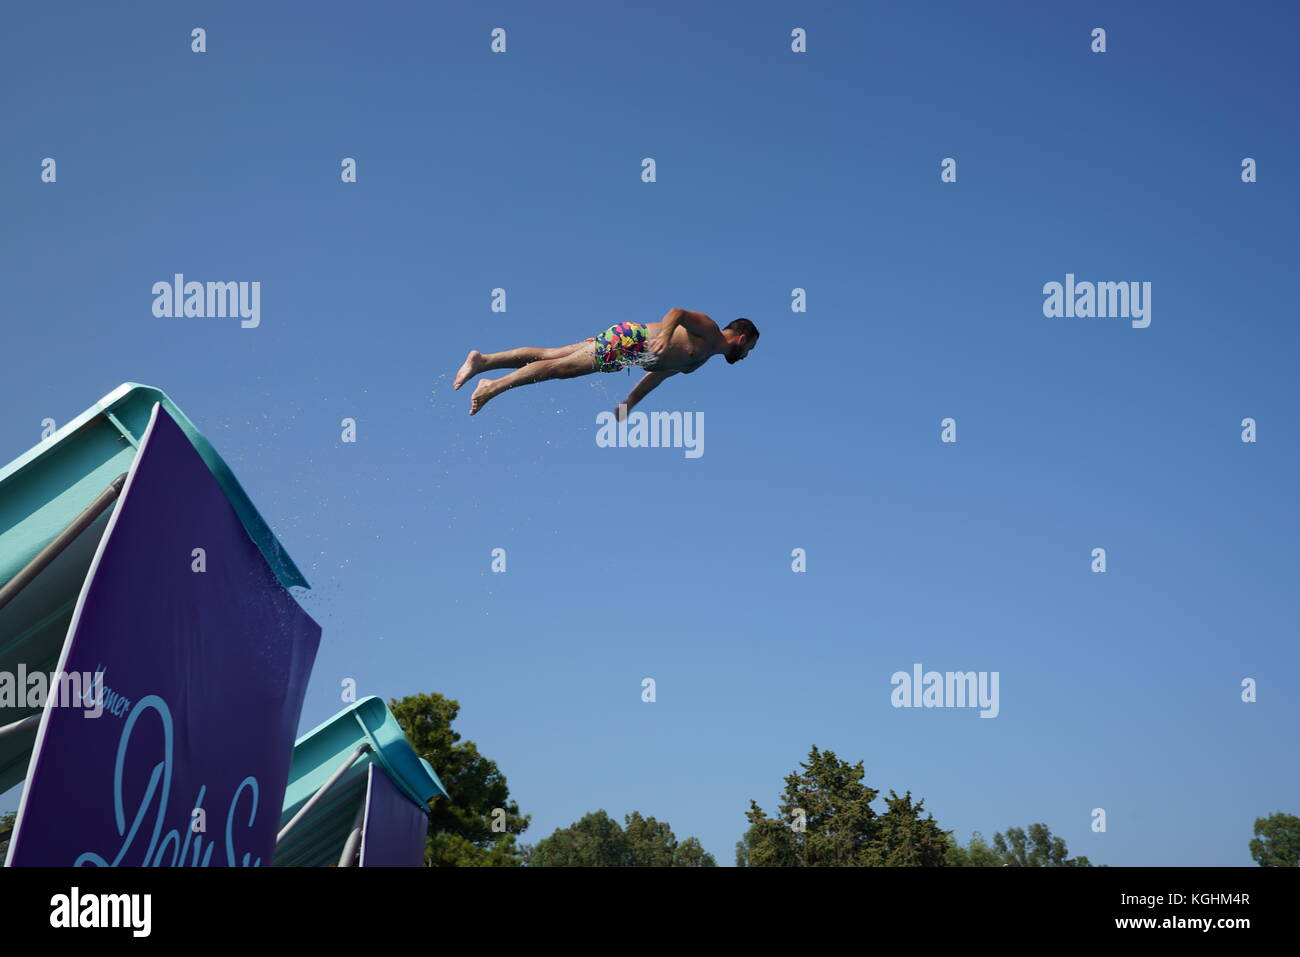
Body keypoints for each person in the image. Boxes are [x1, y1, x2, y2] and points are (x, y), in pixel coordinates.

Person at [454, 309, 759, 416]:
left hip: (628, 352)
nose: (745, 357)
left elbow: (658, 376)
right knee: (563, 369)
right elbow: (676, 312)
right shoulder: (708, 328)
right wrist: (666, 336)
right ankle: (492, 387)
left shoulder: (698, 362)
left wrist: (630, 403)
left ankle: (485, 361)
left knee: (553, 355)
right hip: (632, 339)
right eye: (749, 350)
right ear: (742, 338)